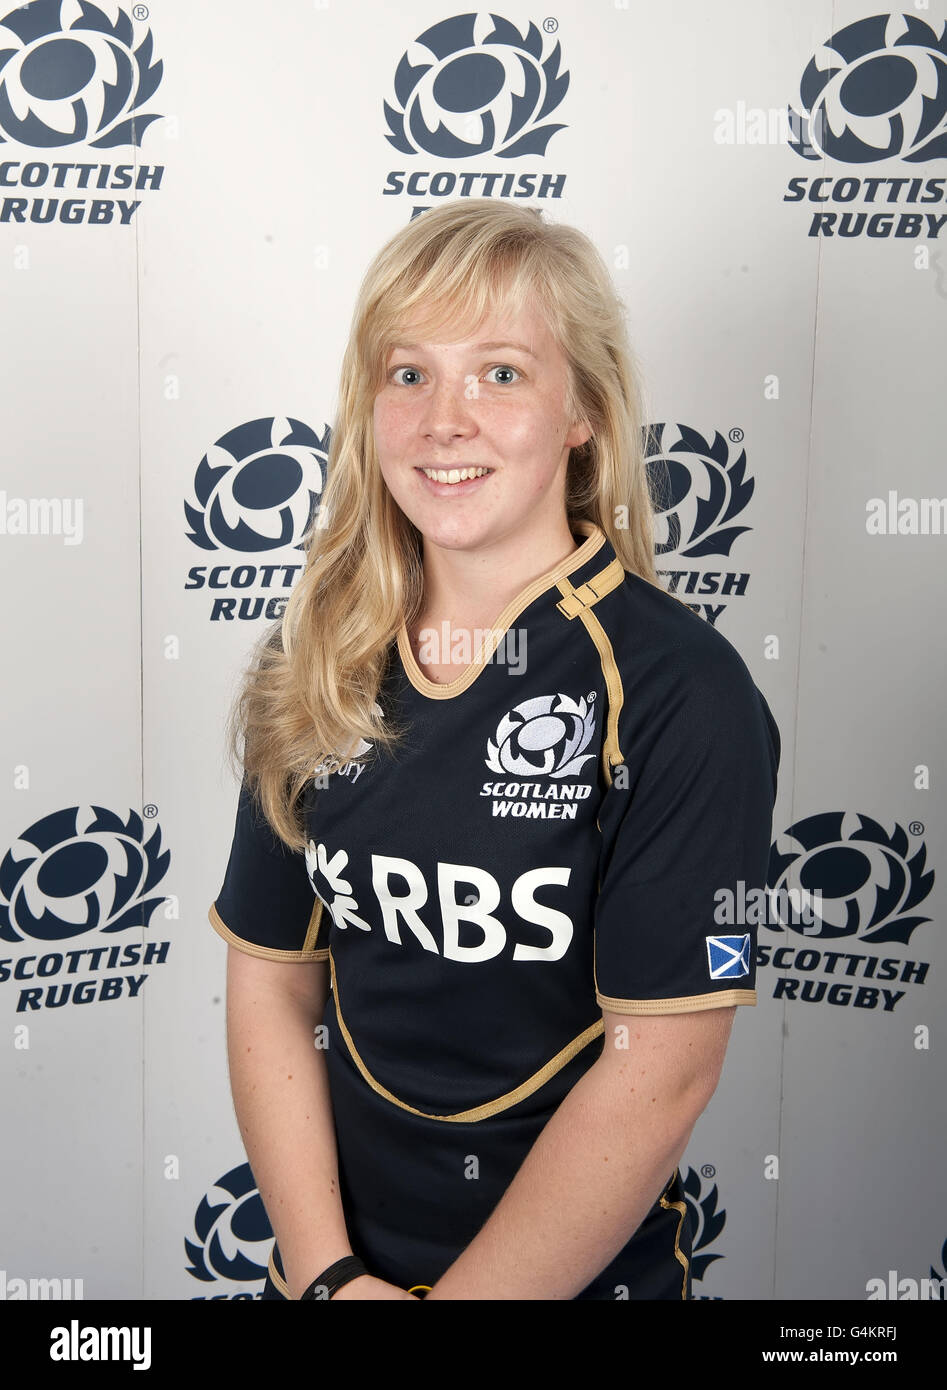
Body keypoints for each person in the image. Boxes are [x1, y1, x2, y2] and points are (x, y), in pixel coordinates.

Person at [208, 199, 780, 1301]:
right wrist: (327, 1277)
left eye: (501, 373)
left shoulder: (680, 694)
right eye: (407, 373)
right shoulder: (320, 650)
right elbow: (270, 986)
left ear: (583, 412)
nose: (443, 421)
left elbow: (660, 1075)